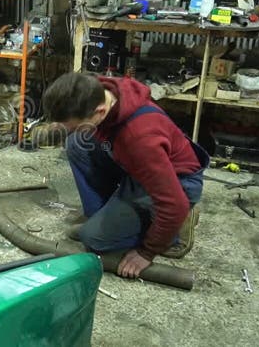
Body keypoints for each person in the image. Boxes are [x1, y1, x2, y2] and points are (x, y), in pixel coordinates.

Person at [42, 73, 209, 278]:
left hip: (177, 184)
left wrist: (147, 252)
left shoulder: (139, 139)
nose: (70, 130)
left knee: (93, 240)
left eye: (75, 125)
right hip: (139, 166)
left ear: (100, 111)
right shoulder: (100, 90)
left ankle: (175, 231)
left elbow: (174, 203)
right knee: (77, 143)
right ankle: (104, 218)